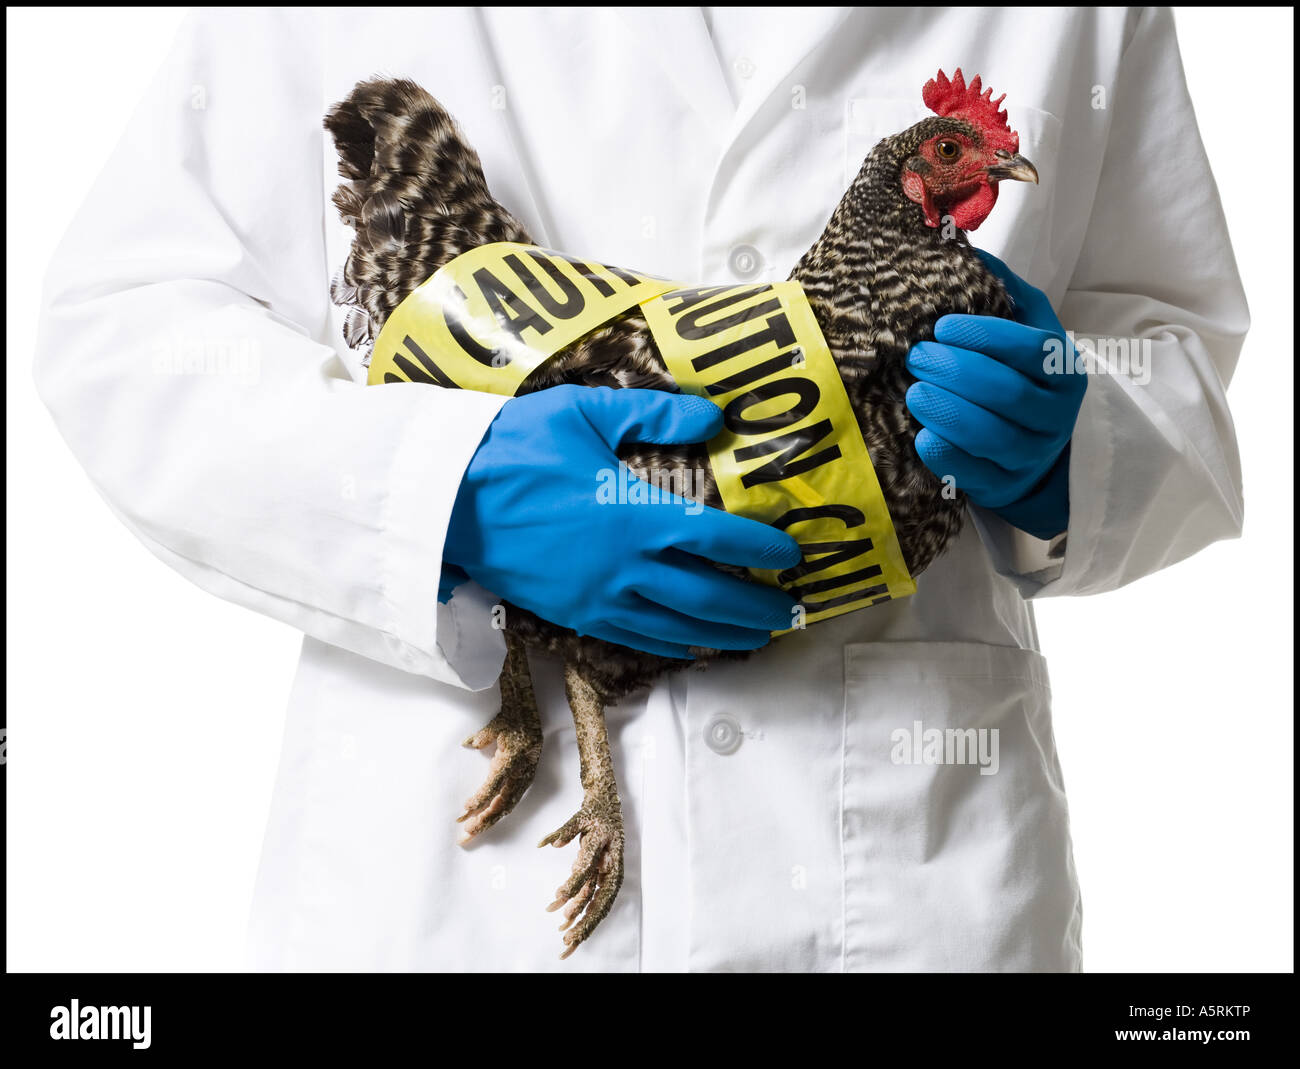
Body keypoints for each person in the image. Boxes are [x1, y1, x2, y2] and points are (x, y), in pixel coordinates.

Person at [35, 7, 1247, 971]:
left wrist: (1073, 444)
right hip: (458, 892)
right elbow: (129, 326)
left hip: (903, 885)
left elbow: (1170, 341)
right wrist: (440, 487)